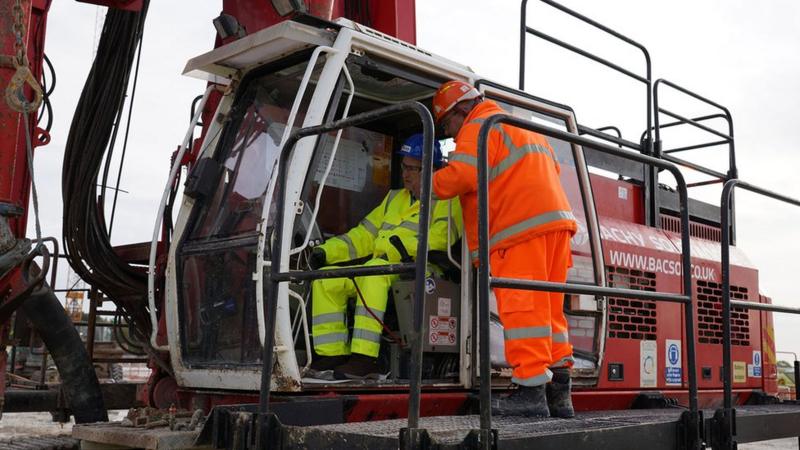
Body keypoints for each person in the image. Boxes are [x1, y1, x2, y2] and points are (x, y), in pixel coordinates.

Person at [431, 80, 577, 418]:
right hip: (555, 227)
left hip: (518, 232)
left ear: (461, 111)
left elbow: (463, 175)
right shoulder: (521, 127)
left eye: (448, 125)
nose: (451, 135)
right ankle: (560, 395)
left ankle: (530, 393)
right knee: (550, 313)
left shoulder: (479, 124)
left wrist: (429, 183)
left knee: (524, 312)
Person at [307, 133, 463, 380]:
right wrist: (326, 251)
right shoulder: (393, 198)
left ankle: (365, 358)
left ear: (433, 169)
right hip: (385, 267)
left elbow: (440, 238)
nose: (406, 173)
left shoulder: (447, 200)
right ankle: (331, 355)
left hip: (424, 269)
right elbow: (364, 235)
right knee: (327, 279)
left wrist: (399, 248)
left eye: (414, 168)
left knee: (374, 273)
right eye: (404, 167)